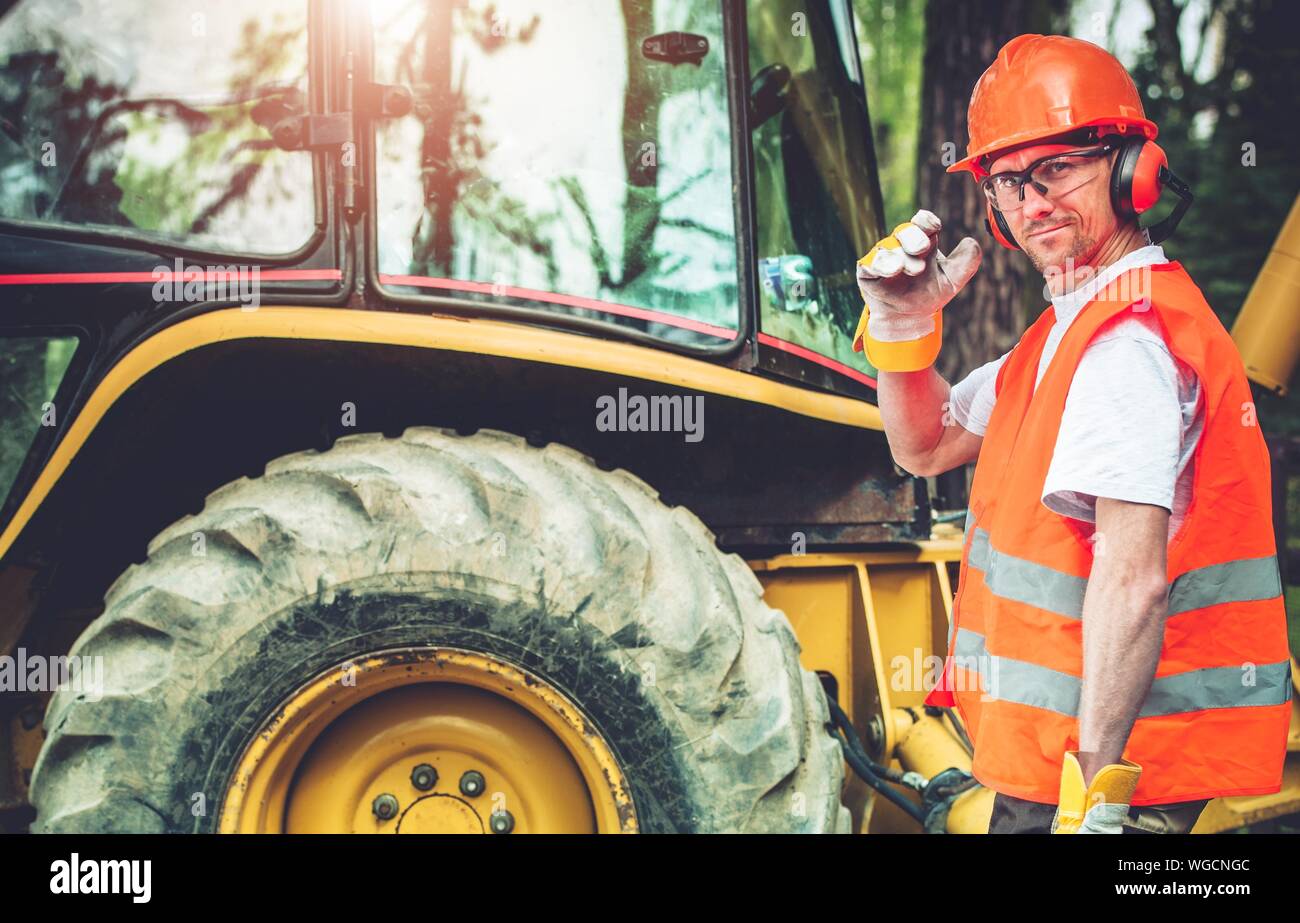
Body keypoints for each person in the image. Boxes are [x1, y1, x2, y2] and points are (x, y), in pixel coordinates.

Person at [851, 34, 1293, 834]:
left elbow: (1134, 582)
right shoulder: (1064, 333)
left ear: (1132, 171)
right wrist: (903, 327)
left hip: (1102, 776)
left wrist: (1096, 804)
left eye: (1056, 168)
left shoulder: (1127, 346)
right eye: (1008, 181)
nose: (1032, 202)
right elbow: (924, 445)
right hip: (1049, 763)